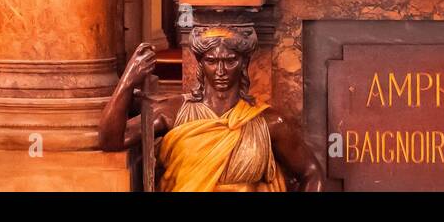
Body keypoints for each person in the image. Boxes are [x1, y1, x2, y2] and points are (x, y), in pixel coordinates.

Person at [99, 25, 324, 192]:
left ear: (244, 64)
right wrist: (128, 80)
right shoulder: (174, 113)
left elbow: (311, 173)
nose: (220, 71)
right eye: (212, 61)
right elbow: (111, 140)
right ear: (200, 63)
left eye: (230, 61)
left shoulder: (269, 123)